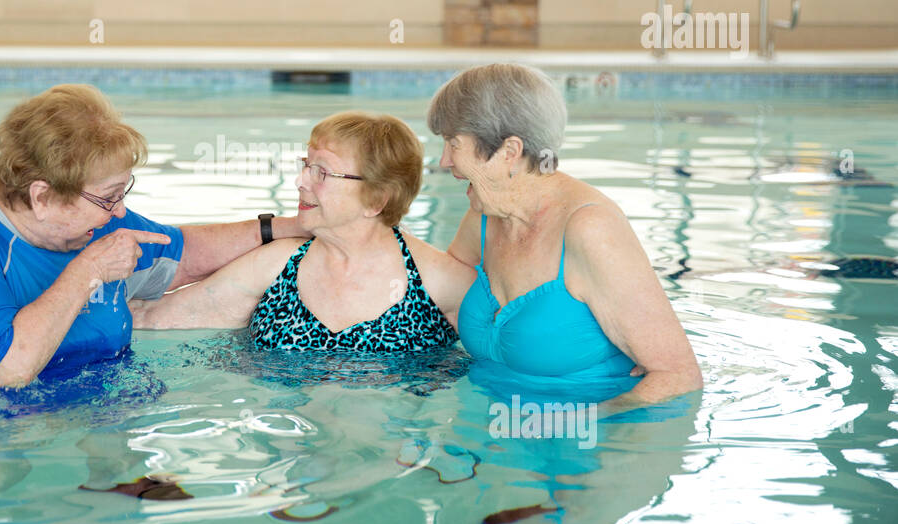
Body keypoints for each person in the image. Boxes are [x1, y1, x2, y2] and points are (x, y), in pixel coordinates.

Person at [0, 84, 308, 391]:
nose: (120, 212)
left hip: (97, 408)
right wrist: (88, 271)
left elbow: (184, 254)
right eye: (109, 197)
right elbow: (4, 372)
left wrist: (298, 225)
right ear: (42, 195)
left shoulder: (93, 221)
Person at [428, 63, 703, 411]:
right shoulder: (485, 216)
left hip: (585, 447)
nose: (443, 161)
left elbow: (679, 376)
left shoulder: (589, 230)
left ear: (509, 152)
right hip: (490, 429)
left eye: (454, 144)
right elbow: (441, 285)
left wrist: (577, 428)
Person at [131, 112, 471, 349]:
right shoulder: (278, 268)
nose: (300, 182)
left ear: (376, 200)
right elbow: (152, 319)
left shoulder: (439, 282)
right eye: (306, 166)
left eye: (321, 173)